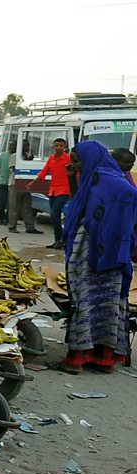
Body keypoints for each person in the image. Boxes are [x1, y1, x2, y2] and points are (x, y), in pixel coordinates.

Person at [55, 141, 137, 374]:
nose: (75, 164)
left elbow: (129, 195)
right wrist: (72, 177)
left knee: (87, 300)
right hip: (101, 249)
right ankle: (101, 359)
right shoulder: (94, 176)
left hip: (98, 249)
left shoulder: (108, 178)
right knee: (103, 302)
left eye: (77, 160)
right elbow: (81, 200)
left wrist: (105, 227)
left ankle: (80, 359)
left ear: (90, 158)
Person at [36, 138, 73, 249]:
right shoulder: (52, 158)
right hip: (53, 190)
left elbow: (75, 172)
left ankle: (62, 240)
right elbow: (44, 171)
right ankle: (58, 240)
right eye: (56, 145)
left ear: (65, 147)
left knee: (55, 214)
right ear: (53, 146)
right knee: (54, 216)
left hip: (64, 190)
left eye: (61, 146)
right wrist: (33, 182)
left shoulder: (68, 159)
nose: (58, 148)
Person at [0, 141, 13, 224]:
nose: (12, 147)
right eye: (11, 145)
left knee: (10, 202)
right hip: (1, 182)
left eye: (14, 145)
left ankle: (7, 218)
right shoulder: (3, 155)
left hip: (11, 183)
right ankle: (1, 216)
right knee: (1, 201)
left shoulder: (18, 156)